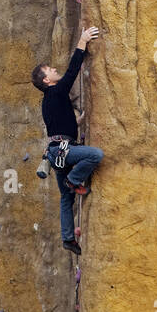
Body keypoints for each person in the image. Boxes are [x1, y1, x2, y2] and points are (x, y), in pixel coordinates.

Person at [31, 24, 102, 255]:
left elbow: (57, 125)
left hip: (56, 152)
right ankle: (74, 179)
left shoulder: (48, 101)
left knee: (65, 198)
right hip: (65, 152)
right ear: (47, 81)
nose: (54, 69)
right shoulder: (56, 91)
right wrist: (82, 41)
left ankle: (68, 239)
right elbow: (73, 71)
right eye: (50, 70)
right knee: (95, 155)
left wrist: (77, 123)